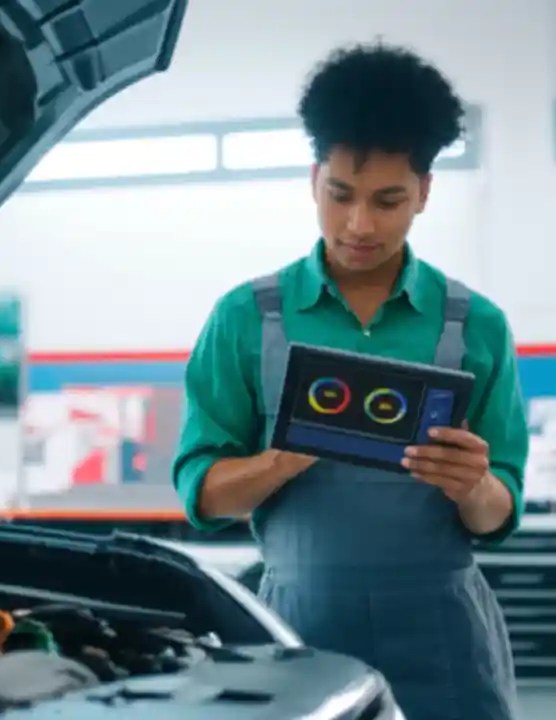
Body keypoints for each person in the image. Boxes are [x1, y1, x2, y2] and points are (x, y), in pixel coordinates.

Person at [171, 42, 529, 720]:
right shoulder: (246, 319)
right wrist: (282, 460)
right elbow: (203, 494)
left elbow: (500, 511)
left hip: (443, 630)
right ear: (314, 180)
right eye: (340, 195)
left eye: (388, 200)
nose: (360, 224)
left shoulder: (477, 325)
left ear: (425, 191)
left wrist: (474, 485)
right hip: (301, 626)